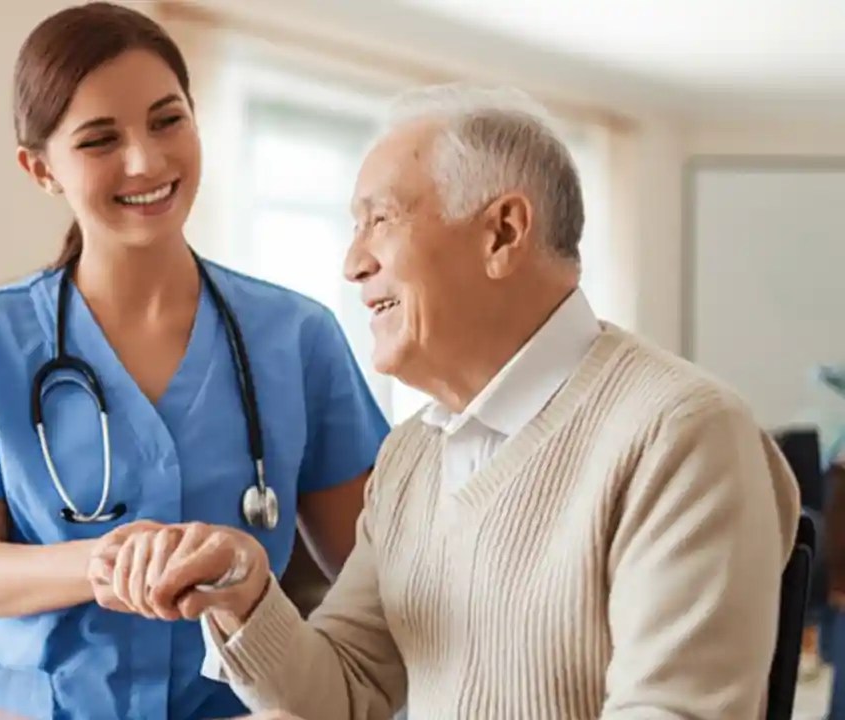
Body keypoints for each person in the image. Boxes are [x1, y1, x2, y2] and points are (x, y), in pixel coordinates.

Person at [98, 84, 803, 719]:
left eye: (381, 220)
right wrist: (244, 596)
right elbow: (346, 691)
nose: (352, 263)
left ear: (502, 232)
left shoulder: (681, 433)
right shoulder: (411, 458)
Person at [0, 3, 390, 719]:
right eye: (100, 140)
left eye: (168, 121)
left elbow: (370, 577)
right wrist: (100, 562)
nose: (147, 161)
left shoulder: (297, 337)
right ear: (41, 170)